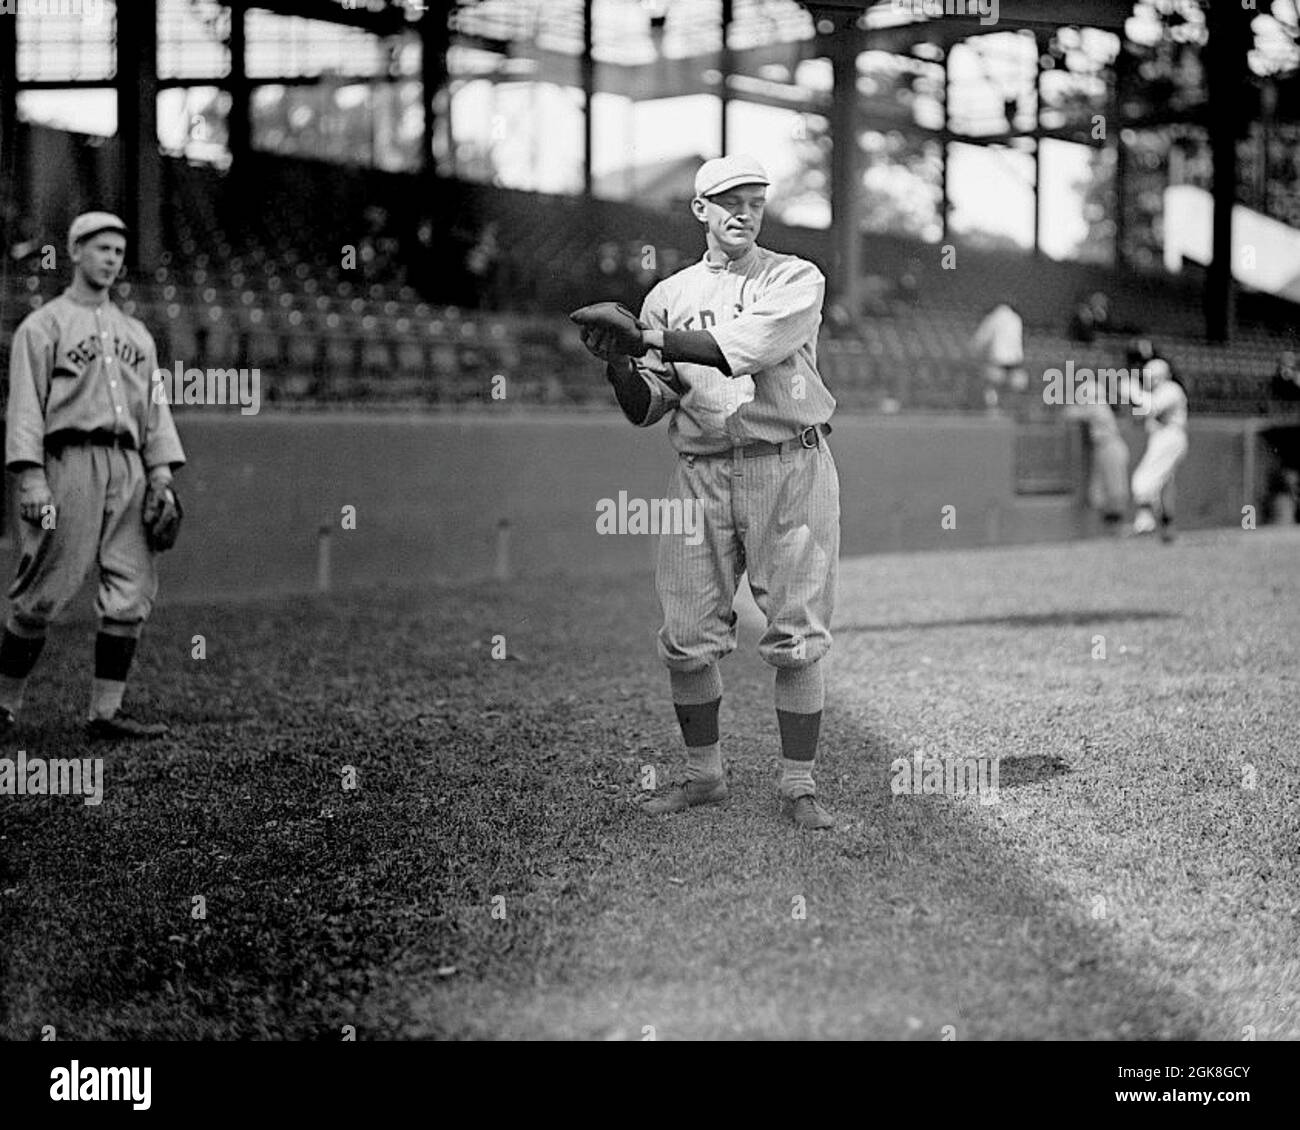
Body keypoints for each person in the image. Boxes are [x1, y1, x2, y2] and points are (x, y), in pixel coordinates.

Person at [576, 154, 839, 830]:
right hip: (700, 469)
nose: (743, 212)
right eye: (728, 200)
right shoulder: (667, 293)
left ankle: (798, 787)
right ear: (700, 210)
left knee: (797, 635)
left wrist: (649, 337)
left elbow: (744, 346)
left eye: (755, 199)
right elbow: (648, 406)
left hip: (790, 464)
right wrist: (619, 365)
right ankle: (703, 778)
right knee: (686, 636)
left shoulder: (794, 276)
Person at [1, 211, 186, 740]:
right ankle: (5, 705)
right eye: (100, 248)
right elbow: (26, 410)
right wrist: (31, 479)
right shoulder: (43, 326)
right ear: (75, 251)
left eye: (118, 251)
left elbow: (155, 412)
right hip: (67, 462)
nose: (111, 258)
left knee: (131, 586)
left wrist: (161, 477)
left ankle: (105, 713)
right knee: (42, 589)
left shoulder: (137, 335)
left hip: (128, 464)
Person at [1129, 357, 1188, 542]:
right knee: (1164, 486)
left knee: (1143, 478)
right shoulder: (1154, 392)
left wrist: (1133, 392)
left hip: (1170, 436)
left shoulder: (1170, 389)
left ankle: (1145, 521)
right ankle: (1167, 528)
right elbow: (1140, 416)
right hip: (1162, 437)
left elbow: (1151, 408)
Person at [1064, 371, 1129, 532]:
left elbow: (1070, 413)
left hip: (1111, 447)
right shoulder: (1097, 406)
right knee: (1098, 490)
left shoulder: (1098, 406)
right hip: (1102, 448)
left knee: (1115, 488)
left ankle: (1117, 526)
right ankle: (1107, 526)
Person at [970, 299, 1026, 410]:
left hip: (998, 357)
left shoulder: (994, 318)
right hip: (1015, 358)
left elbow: (983, 336)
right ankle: (1010, 409)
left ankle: (993, 408)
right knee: (1012, 386)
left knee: (991, 385)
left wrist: (975, 347)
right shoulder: (1016, 318)